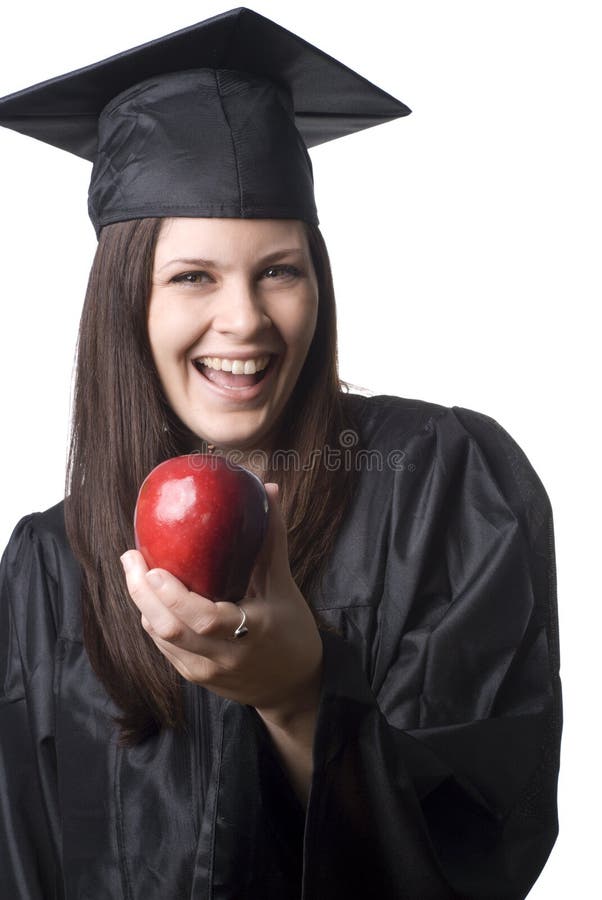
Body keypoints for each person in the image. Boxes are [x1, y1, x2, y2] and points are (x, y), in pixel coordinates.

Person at [0, 8, 561, 899]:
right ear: (125, 302)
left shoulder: (439, 484)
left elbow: (481, 848)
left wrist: (299, 693)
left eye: (279, 270)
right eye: (193, 276)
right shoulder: (45, 566)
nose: (245, 319)